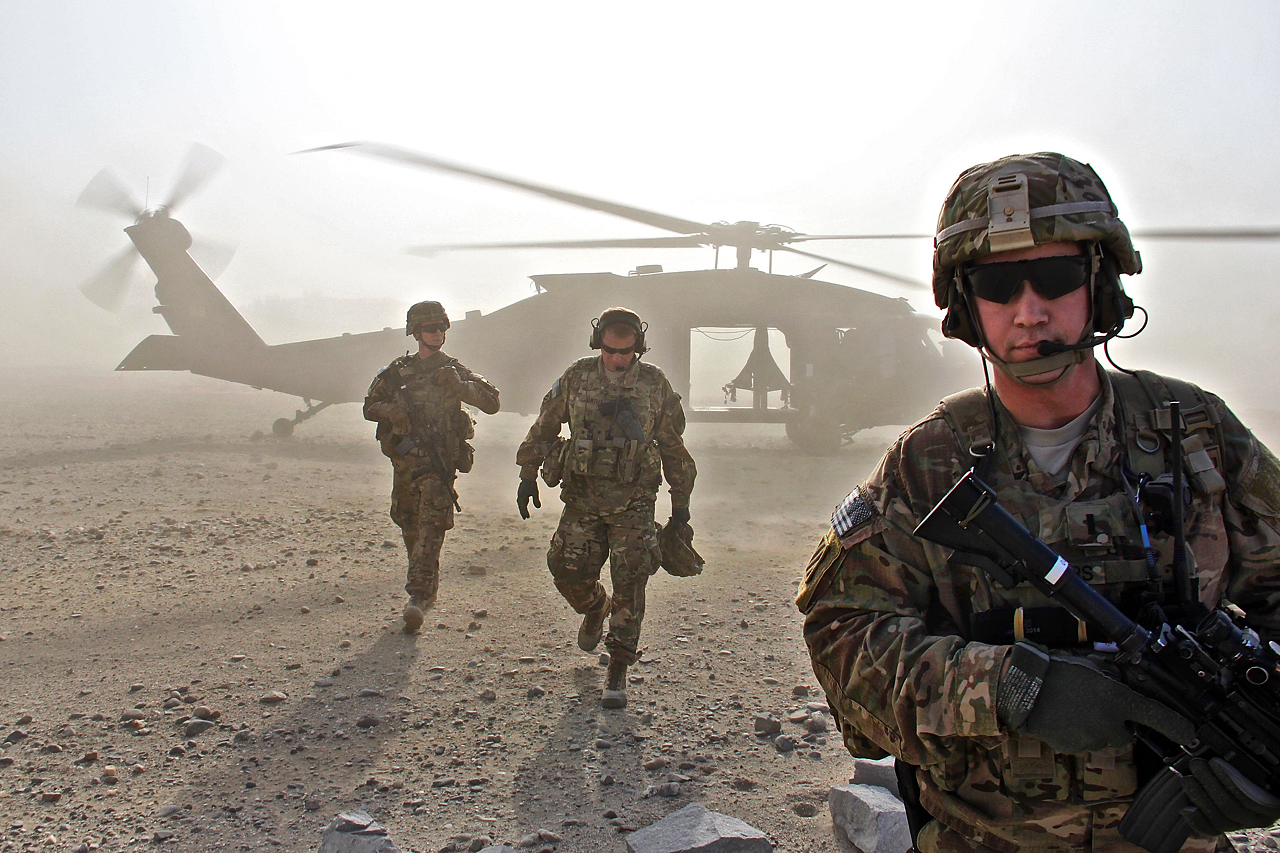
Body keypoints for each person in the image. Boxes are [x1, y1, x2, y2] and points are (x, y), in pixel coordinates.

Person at [797, 153, 1280, 852]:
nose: (1029, 311)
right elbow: (842, 633)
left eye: (1054, 278)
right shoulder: (927, 463)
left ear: (1100, 287)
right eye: (998, 284)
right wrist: (1007, 689)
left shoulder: (1196, 433)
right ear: (967, 304)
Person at [516, 307, 696, 709]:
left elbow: (672, 446)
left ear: (638, 348)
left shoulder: (654, 385)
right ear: (599, 344)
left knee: (631, 579)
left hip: (634, 502)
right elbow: (546, 425)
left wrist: (680, 507)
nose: (618, 359)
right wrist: (528, 474)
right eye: (611, 351)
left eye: (627, 352)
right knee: (565, 569)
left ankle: (619, 664)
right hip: (582, 497)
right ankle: (596, 607)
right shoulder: (577, 377)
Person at [364, 301, 500, 632]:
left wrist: (462, 387)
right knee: (409, 525)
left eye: (441, 328)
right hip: (406, 463)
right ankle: (427, 588)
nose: (437, 333)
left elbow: (492, 402)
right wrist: (392, 412)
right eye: (430, 328)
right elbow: (370, 406)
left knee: (431, 526)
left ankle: (418, 597)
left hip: (439, 467)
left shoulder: (453, 370)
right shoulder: (397, 372)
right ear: (415, 332)